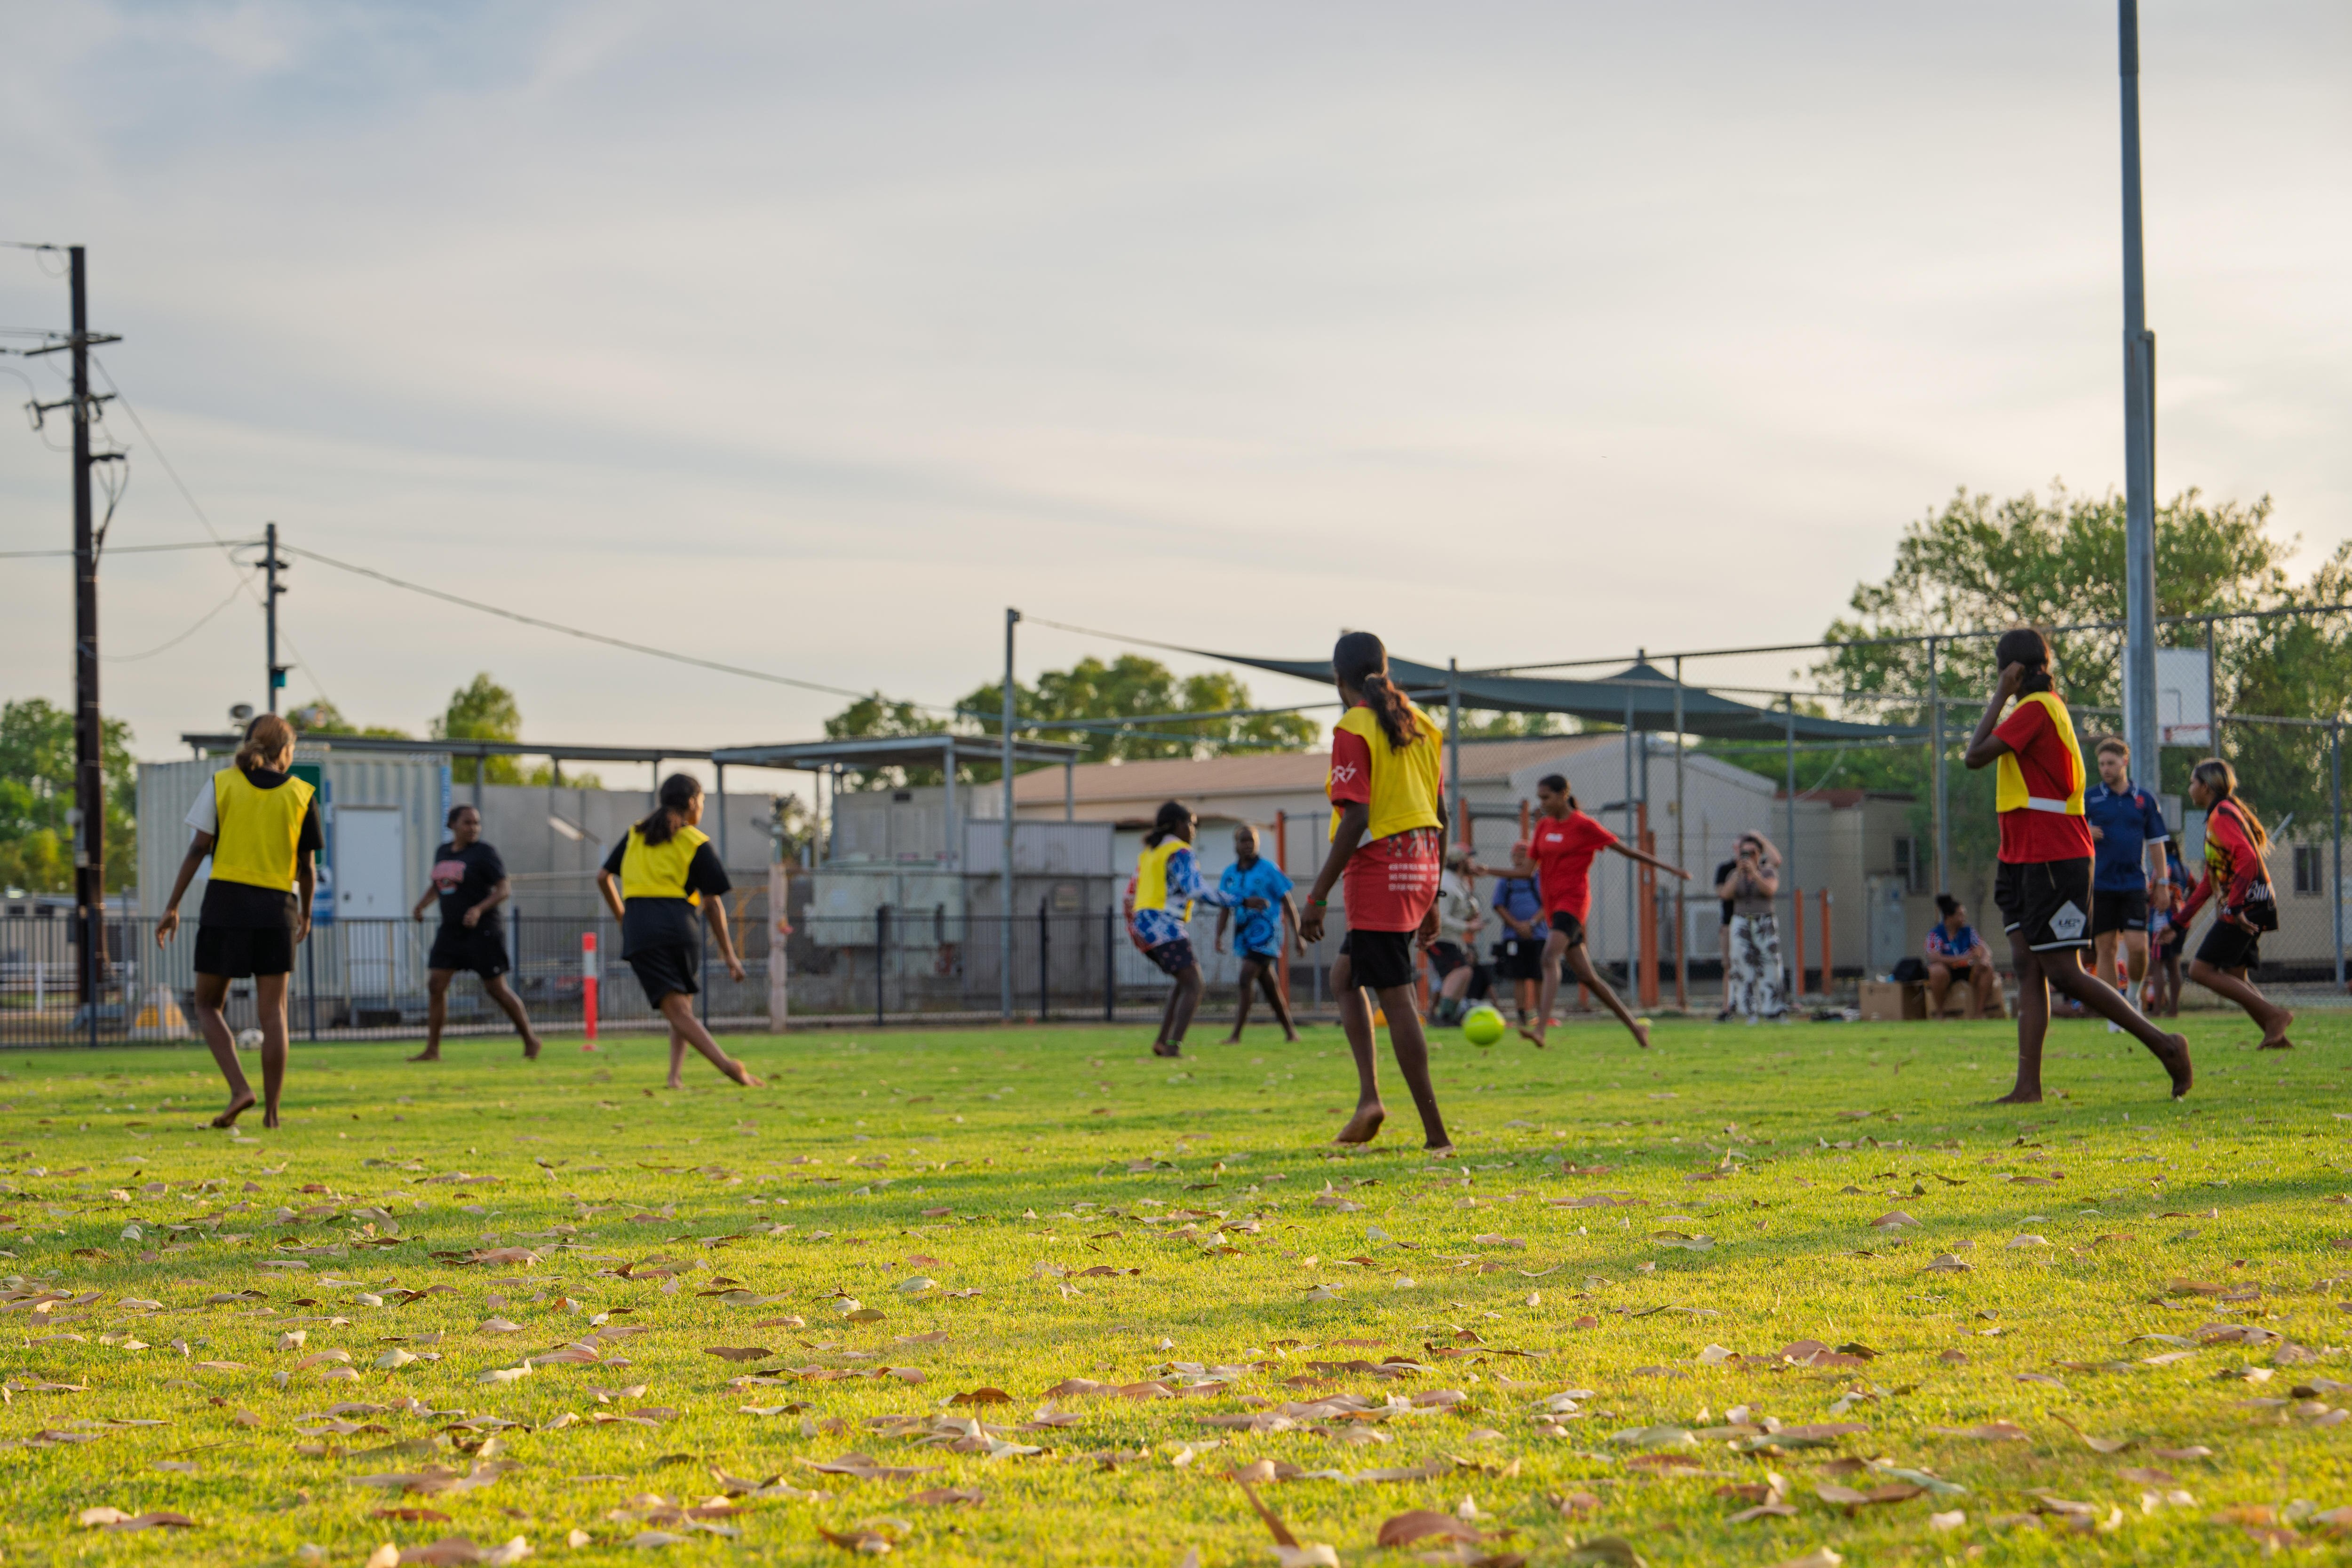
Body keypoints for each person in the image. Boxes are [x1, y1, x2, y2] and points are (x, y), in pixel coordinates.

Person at [1962, 627, 2192, 1102]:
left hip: (2054, 855)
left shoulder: (2035, 709)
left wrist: (2000, 693)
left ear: (2014, 671)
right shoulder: (2040, 709)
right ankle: (2027, 1086)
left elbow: (1973, 756)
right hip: (2020, 856)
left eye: (2002, 672)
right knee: (2027, 966)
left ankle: (2166, 1045)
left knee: (2063, 972)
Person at [1298, 631, 1454, 1153]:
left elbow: (1357, 816)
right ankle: (1368, 1099)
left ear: (1337, 680)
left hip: (1380, 871)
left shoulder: (1353, 726)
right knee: (1346, 976)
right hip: (1420, 864)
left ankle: (1436, 1135)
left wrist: (1317, 895)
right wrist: (1431, 892)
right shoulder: (1423, 724)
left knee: (1397, 993)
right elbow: (1441, 814)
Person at [154, 713, 319, 1130]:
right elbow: (308, 869)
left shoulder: (222, 784)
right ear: (284, 752)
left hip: (226, 903)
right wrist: (306, 911)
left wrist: (172, 906)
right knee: (274, 1013)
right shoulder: (302, 794)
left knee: (207, 1004)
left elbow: (197, 850)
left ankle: (239, 1088)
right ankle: (272, 1113)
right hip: (278, 907)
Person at [595, 773, 763, 1089]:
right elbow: (712, 905)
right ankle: (710, 1070)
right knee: (680, 1008)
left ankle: (703, 1071)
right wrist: (729, 955)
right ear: (691, 803)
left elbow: (603, 877)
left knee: (678, 1009)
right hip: (680, 926)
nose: (702, 807)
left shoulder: (634, 834)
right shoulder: (695, 841)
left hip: (643, 926)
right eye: (701, 801)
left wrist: (624, 917)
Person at [1511, 772, 1690, 1051]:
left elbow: (1626, 851)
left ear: (1562, 795)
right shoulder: (1544, 827)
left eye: (1546, 797)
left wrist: (1669, 869)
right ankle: (1637, 1028)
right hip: (1553, 904)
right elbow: (1526, 872)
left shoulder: (1584, 826)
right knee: (1588, 978)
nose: (1542, 803)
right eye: (1540, 798)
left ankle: (1542, 1030)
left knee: (1548, 957)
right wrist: (1486, 871)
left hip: (1573, 902)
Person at [407, 804, 542, 1062]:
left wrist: (479, 910)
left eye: (477, 823)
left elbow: (504, 890)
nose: (474, 828)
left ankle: (531, 1040)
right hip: (451, 931)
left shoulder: (484, 853)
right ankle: (432, 1050)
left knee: (496, 989)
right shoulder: (443, 852)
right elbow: (439, 885)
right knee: (436, 985)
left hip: (483, 931)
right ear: (453, 825)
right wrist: (422, 905)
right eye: (468, 823)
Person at [2176, 757, 2294, 1049]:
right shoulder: (2223, 813)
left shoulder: (2222, 815)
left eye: (2193, 782)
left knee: (2200, 971)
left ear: (2205, 787)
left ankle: (2275, 1016)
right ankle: (2275, 1033)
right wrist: (2179, 921)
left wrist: (2237, 906)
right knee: (2234, 975)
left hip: (2246, 905)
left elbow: (2248, 858)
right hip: (2255, 901)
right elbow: (2208, 881)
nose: (2190, 788)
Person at [1132, 801, 1261, 1058]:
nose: (1194, 830)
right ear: (1178, 825)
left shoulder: (1150, 852)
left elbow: (1133, 891)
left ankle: (1162, 1042)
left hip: (1142, 924)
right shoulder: (1180, 852)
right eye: (1191, 823)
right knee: (1195, 984)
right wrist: (1241, 900)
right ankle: (1173, 1047)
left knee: (1183, 981)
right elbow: (1197, 890)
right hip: (1163, 923)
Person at [2084, 736, 2170, 1032]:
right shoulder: (2091, 798)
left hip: (2134, 883)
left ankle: (2132, 998)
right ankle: (2114, 1012)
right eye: (2101, 764)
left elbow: (2157, 843)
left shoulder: (2144, 799)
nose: (2106, 769)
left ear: (2125, 762)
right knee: (2104, 948)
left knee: (2137, 947)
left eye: (2111, 763)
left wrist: (2163, 882)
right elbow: (2069, 832)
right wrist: (2085, 832)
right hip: (2101, 885)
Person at [1213, 823, 1302, 1043]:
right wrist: (1219, 935)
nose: (1248, 845)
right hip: (1244, 935)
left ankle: (1236, 1035)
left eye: (1252, 840)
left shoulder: (1269, 869)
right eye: (1243, 840)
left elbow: (1288, 902)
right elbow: (1225, 906)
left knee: (1245, 978)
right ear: (1236, 844)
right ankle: (1291, 1033)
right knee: (1269, 986)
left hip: (1267, 934)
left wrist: (1298, 935)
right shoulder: (1230, 874)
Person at [1717, 832, 1786, 1023]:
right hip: (1741, 922)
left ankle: (1774, 1010)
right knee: (1742, 967)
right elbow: (1725, 894)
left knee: (1771, 965)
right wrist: (1739, 873)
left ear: (1759, 854)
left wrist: (1755, 874)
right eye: (1744, 852)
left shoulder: (1768, 872)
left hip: (1764, 922)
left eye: (1752, 852)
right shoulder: (1734, 874)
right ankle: (1748, 1012)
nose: (1747, 856)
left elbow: (1770, 890)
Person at [1428, 846, 1495, 1025]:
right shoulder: (1447, 884)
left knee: (1464, 972)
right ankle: (1443, 1016)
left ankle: (1451, 1015)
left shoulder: (1459, 882)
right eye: (1469, 859)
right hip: (1440, 938)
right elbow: (1441, 919)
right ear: (1461, 862)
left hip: (1452, 939)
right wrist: (1468, 926)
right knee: (1459, 972)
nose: (1473, 863)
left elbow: (1458, 911)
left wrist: (1469, 919)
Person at [1488, 857, 1547, 1027]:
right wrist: (1517, 926)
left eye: (1525, 854)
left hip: (1538, 936)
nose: (1521, 858)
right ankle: (1522, 1015)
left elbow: (1548, 903)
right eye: (1517, 854)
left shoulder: (1540, 878)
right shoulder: (1506, 880)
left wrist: (1532, 924)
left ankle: (1542, 1016)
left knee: (1539, 976)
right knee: (1519, 976)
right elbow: (1498, 905)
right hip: (1513, 937)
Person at [1923, 893, 1999, 1019]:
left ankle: (1979, 1013)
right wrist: (1964, 958)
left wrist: (1984, 961)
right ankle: (1940, 1013)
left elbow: (1985, 949)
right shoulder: (1936, 934)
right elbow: (1934, 957)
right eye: (1960, 915)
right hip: (1948, 970)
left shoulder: (1968, 931)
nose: (1964, 918)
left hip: (1968, 970)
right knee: (1936, 971)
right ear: (1949, 917)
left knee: (1988, 969)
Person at [2144, 844, 2189, 1016]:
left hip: (2161, 921)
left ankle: (2156, 1010)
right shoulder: (2184, 869)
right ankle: (2174, 1009)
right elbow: (2196, 885)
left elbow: (2151, 892)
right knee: (2174, 965)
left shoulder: (2162, 869)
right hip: (2181, 921)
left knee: (2157, 965)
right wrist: (2184, 903)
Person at [1710, 851, 1740, 1021]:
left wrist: (1762, 839)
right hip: (1730, 924)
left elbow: (1777, 860)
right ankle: (1727, 1008)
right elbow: (1723, 893)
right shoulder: (1727, 869)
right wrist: (1737, 873)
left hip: (1756, 923)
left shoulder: (1761, 869)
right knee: (1729, 966)